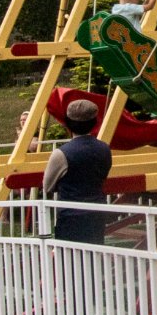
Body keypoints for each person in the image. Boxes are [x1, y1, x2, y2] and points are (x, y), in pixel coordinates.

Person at [41, 99, 113, 246]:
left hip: (71, 216)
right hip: (97, 213)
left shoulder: (61, 153)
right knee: (94, 257)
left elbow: (47, 186)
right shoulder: (104, 149)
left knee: (70, 262)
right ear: (94, 122)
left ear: (67, 122)